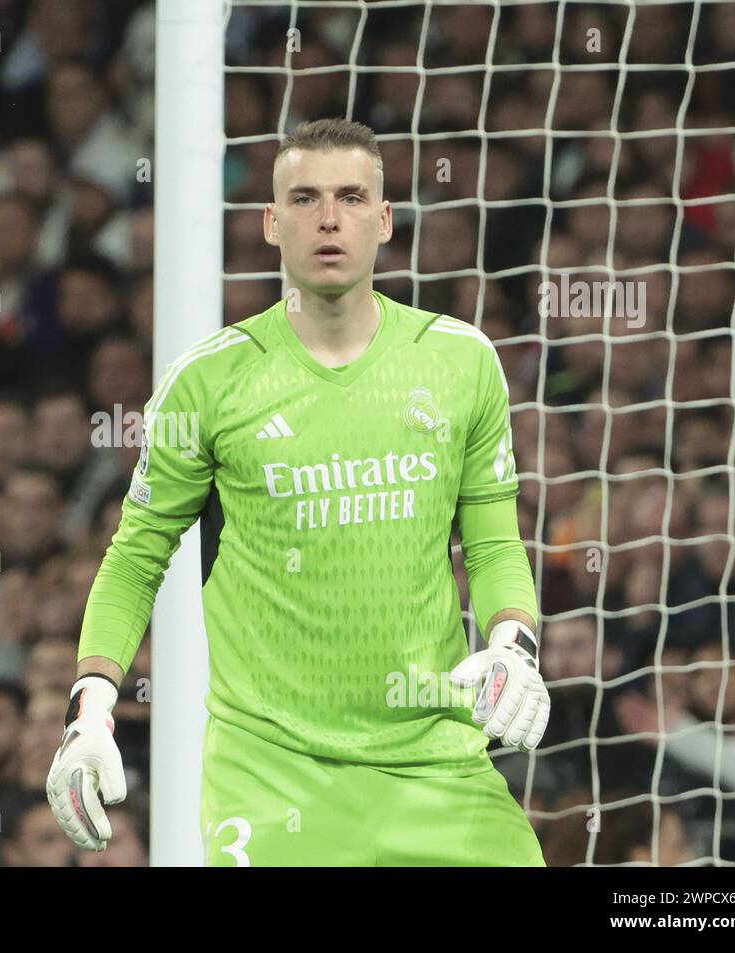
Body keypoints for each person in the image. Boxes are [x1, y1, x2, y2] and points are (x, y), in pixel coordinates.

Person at [47, 118, 550, 866]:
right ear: (271, 223)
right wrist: (90, 712)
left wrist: (515, 645)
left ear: (384, 220)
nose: (328, 217)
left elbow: (495, 542)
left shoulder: (459, 362)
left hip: (438, 764)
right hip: (274, 781)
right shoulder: (208, 383)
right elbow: (135, 557)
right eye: (305, 198)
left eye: (351, 197)